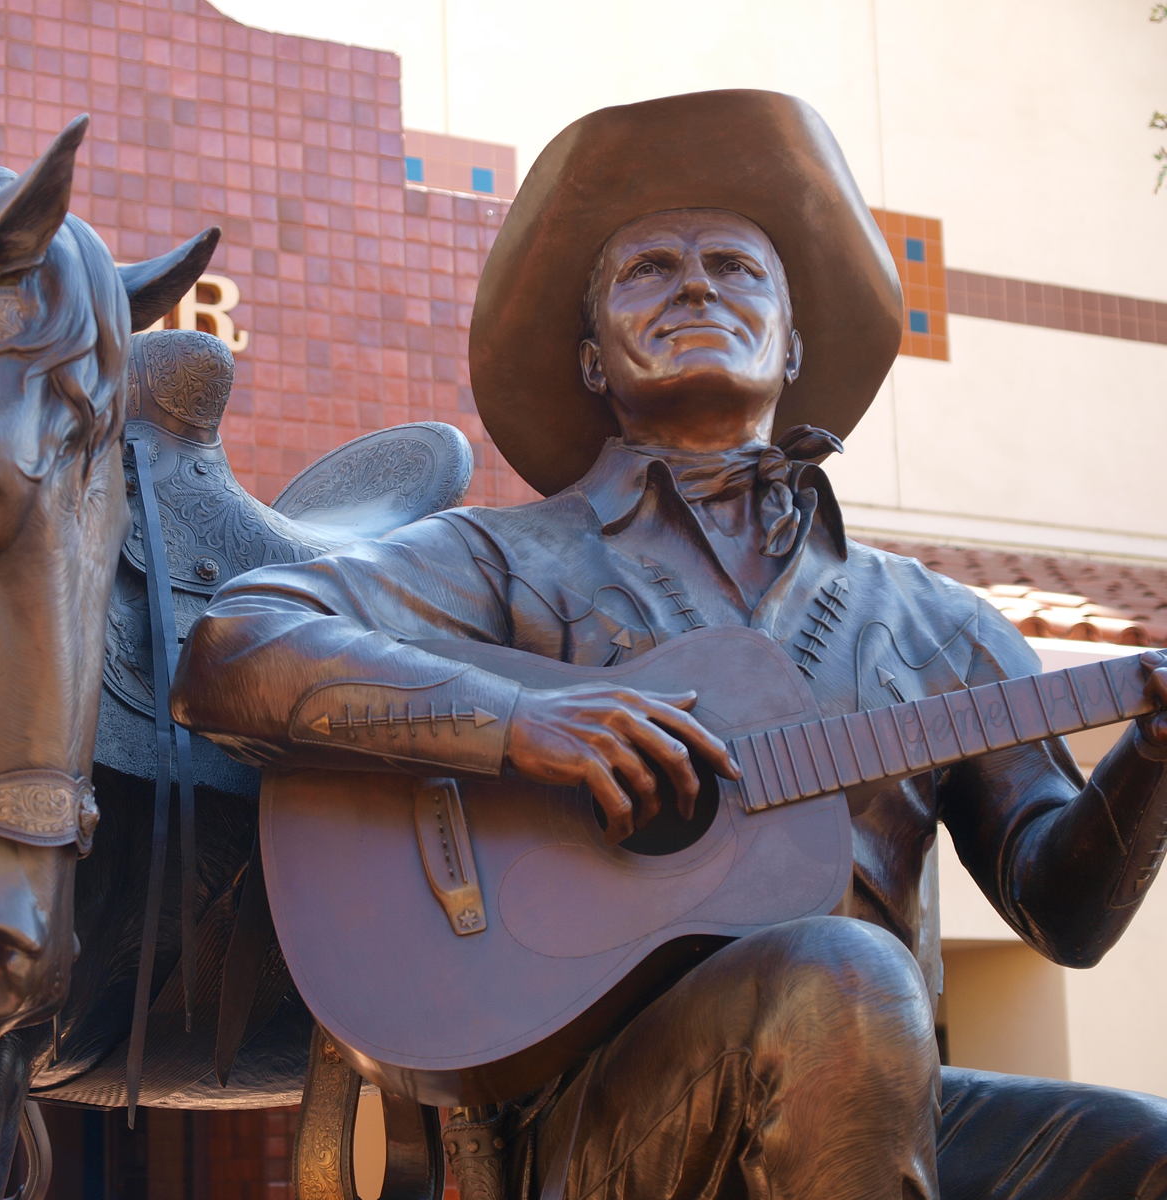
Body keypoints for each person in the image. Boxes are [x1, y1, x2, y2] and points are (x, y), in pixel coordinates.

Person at [171, 90, 1167, 1199]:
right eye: (648, 269)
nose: (696, 283)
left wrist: (1152, 759)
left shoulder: (940, 624)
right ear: (594, 362)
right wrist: (518, 724)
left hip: (883, 1103)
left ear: (793, 345)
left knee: (1140, 1147)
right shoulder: (505, 561)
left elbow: (1064, 914)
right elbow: (235, 646)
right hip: (590, 1115)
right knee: (843, 979)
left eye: (737, 268)